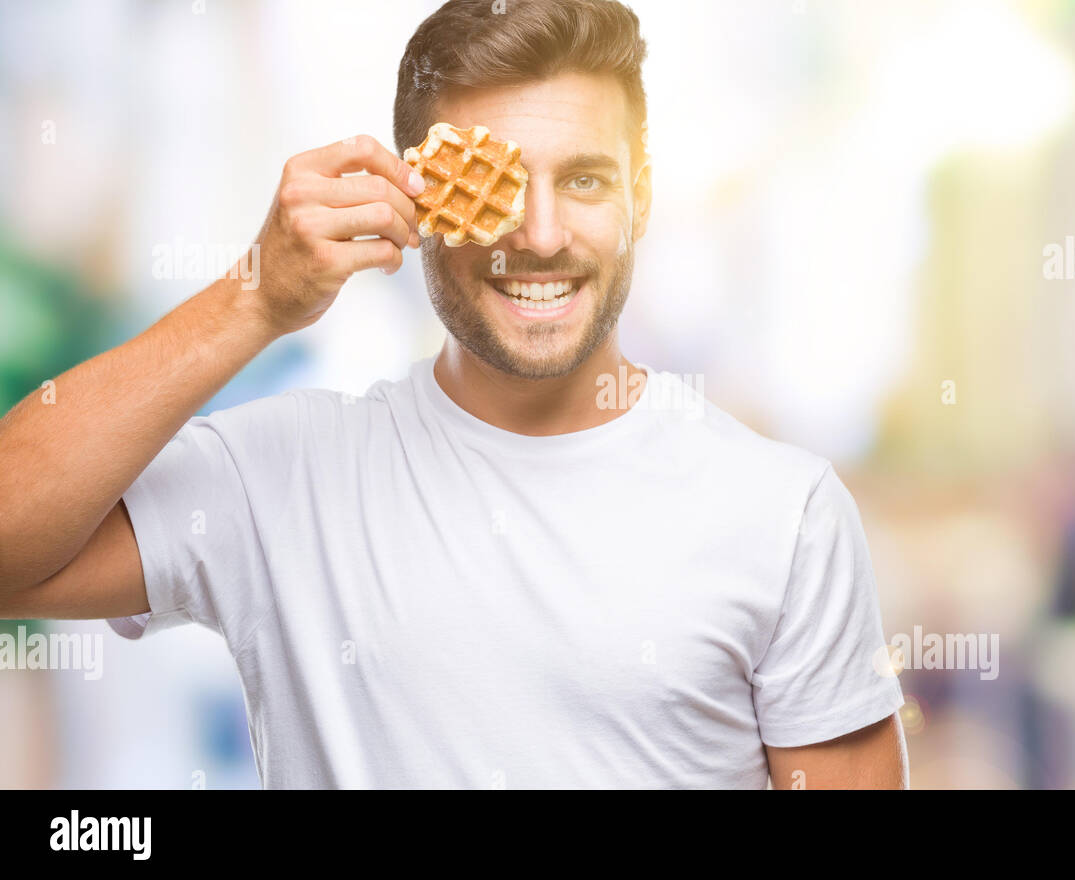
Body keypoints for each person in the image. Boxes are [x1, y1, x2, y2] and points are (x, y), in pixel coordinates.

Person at [0, 0, 906, 789]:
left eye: (584, 179)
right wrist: (255, 298)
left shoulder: (786, 516)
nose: (542, 235)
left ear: (642, 192)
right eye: (500, 185)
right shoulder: (282, 479)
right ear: (419, 200)